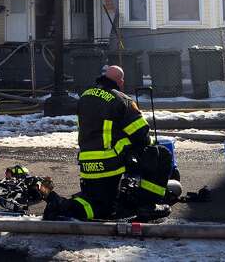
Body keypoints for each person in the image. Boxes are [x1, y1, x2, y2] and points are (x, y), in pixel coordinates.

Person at [40, 65, 169, 220]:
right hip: (110, 163)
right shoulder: (122, 99)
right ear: (120, 81)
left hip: (87, 164)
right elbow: (141, 135)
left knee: (97, 203)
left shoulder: (85, 97)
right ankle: (148, 205)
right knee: (161, 154)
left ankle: (61, 205)